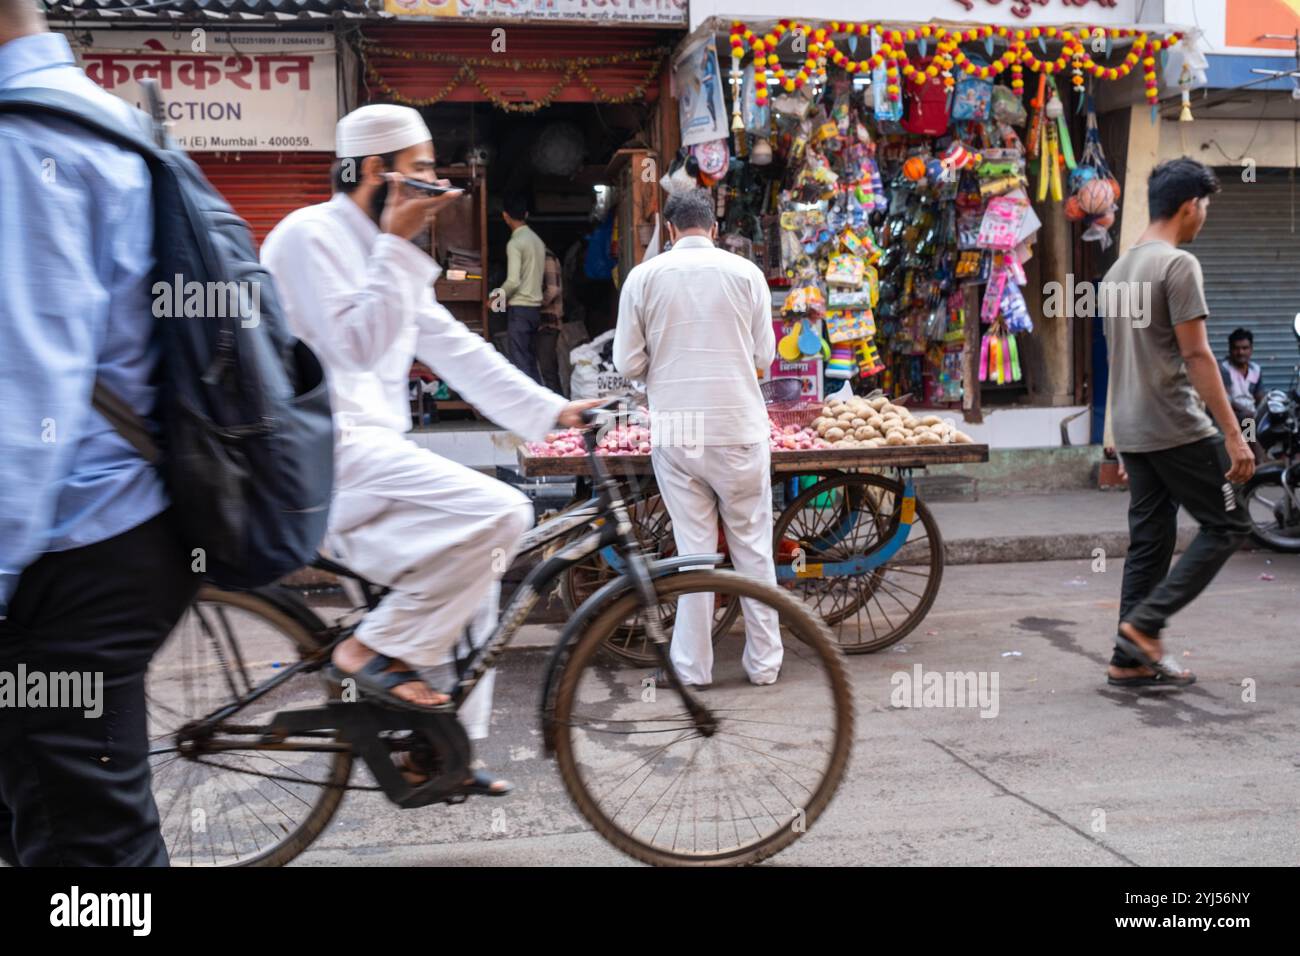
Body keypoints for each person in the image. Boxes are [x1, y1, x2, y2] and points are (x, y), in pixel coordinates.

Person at [261, 105, 598, 793]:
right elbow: (352, 348)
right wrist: (395, 244)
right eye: (420, 172)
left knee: (477, 575)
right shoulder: (309, 237)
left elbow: (456, 351)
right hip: (323, 458)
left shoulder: (388, 251)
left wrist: (554, 411)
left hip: (367, 461)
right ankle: (366, 651)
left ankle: (443, 756)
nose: (435, 188)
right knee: (504, 514)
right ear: (377, 175)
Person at [0, 2, 201, 865]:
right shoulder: (105, 118)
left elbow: (21, 409)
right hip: (128, 531)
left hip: (72, 558)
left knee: (88, 852)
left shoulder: (21, 144)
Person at [613, 188, 782, 688]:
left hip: (677, 432)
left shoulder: (643, 278)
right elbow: (764, 357)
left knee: (694, 554)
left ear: (669, 230)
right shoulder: (746, 274)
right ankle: (764, 665)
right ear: (713, 228)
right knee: (753, 549)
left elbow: (628, 363)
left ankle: (693, 670)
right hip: (738, 428)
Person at [1101, 158, 1254, 690]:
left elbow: (1120, 362)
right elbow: (1198, 356)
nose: (1205, 215)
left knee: (1150, 541)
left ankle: (1128, 658)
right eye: (1206, 205)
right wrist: (1234, 434)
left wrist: (1116, 442)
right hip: (1178, 426)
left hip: (1136, 432)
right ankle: (1144, 627)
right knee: (1229, 524)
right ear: (1189, 206)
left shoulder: (1117, 272)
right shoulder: (1177, 265)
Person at [495, 194, 547, 383]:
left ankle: (530, 410)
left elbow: (513, 281)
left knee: (520, 364)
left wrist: (495, 297)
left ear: (505, 216)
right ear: (525, 214)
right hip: (535, 311)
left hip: (520, 310)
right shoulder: (537, 241)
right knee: (531, 362)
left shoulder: (515, 243)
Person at [1220, 327, 1266, 425]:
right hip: (1232, 414)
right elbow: (1226, 400)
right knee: (1248, 424)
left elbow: (1260, 397)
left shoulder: (1255, 369)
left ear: (1251, 349)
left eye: (1245, 348)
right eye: (1236, 348)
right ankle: (1250, 440)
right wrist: (1247, 412)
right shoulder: (1224, 369)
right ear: (1230, 349)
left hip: (1251, 415)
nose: (1241, 352)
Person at [537, 246, 565, 393]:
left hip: (548, 321)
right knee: (544, 367)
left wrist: (534, 304)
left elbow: (553, 289)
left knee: (547, 367)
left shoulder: (546, 257)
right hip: (538, 321)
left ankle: (559, 407)